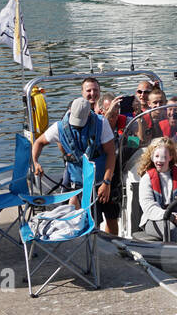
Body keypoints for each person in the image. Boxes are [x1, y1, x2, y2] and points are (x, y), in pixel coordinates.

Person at [31, 81, 117, 232]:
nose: (76, 126)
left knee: (111, 217)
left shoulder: (101, 123)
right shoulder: (59, 127)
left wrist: (107, 182)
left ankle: (114, 250)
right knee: (86, 221)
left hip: (102, 179)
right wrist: (36, 162)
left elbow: (110, 152)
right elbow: (39, 142)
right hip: (79, 183)